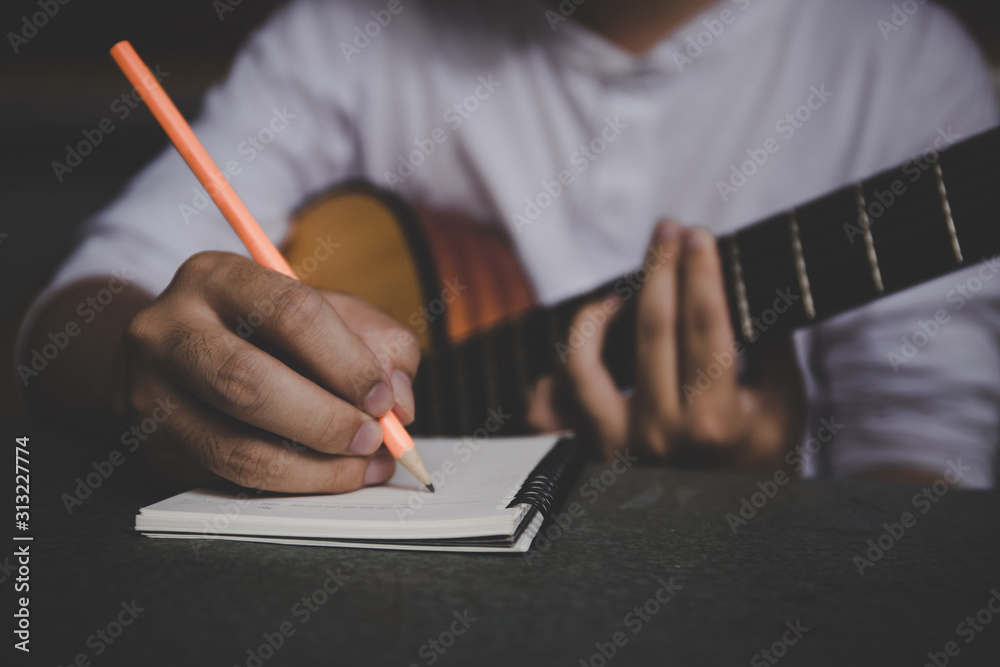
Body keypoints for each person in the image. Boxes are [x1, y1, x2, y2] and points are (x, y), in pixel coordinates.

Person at [17, 0, 1000, 491]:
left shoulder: (901, 63)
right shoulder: (346, 32)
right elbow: (74, 315)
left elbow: (929, 483)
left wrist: (763, 509)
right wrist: (148, 372)